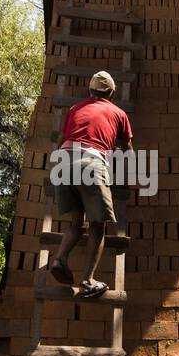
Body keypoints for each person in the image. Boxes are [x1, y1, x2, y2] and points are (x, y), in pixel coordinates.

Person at [49, 69, 133, 298]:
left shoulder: (75, 109)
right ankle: (88, 280)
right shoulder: (118, 113)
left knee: (77, 223)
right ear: (112, 93)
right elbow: (128, 151)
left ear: (90, 90)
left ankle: (59, 259)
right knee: (98, 225)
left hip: (63, 161)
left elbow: (60, 141)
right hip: (91, 162)